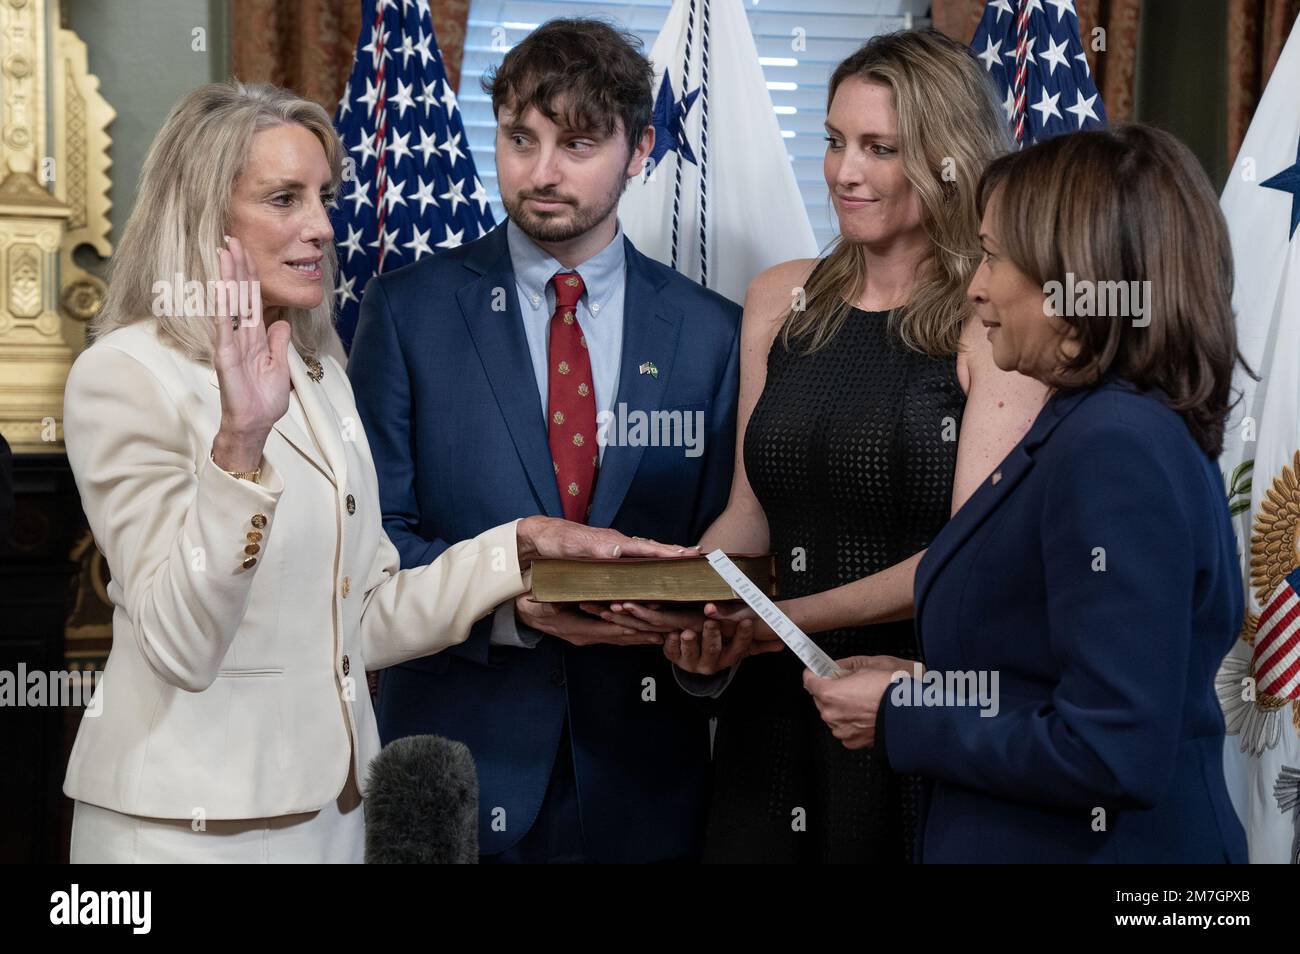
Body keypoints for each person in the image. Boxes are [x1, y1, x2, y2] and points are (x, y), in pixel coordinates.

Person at [60, 80, 683, 864]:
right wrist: (240, 449)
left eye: (324, 196)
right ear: (202, 218)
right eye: (284, 199)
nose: (323, 226)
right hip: (183, 833)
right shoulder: (123, 375)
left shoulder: (319, 370)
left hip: (336, 821)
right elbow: (180, 645)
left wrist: (518, 547)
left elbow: (367, 613)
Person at [599, 29, 1049, 863]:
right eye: (836, 141)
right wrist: (679, 600)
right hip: (771, 715)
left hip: (912, 707)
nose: (845, 171)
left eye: (881, 148)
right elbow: (748, 520)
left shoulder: (992, 324)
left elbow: (964, 562)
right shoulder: (778, 299)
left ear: (949, 159)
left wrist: (772, 620)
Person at [347, 18, 740, 863]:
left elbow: (717, 557)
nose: (542, 172)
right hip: (450, 773)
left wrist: (705, 656)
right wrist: (509, 614)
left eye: (578, 143)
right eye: (521, 139)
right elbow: (370, 546)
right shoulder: (408, 312)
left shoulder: (713, 336)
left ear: (640, 151)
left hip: (642, 781)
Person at [805, 124, 1251, 863]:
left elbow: (1111, 750)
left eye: (994, 256)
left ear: (1075, 278)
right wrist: (934, 687)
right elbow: (1050, 677)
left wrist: (904, 716)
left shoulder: (1115, 443)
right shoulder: (1095, 422)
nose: (975, 285)